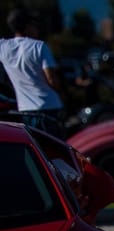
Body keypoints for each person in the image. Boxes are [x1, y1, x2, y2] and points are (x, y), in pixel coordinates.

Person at [0, 8, 64, 137]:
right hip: (49, 107)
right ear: (28, 27)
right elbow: (51, 79)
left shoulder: (3, 47)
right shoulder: (39, 46)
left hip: (25, 110)